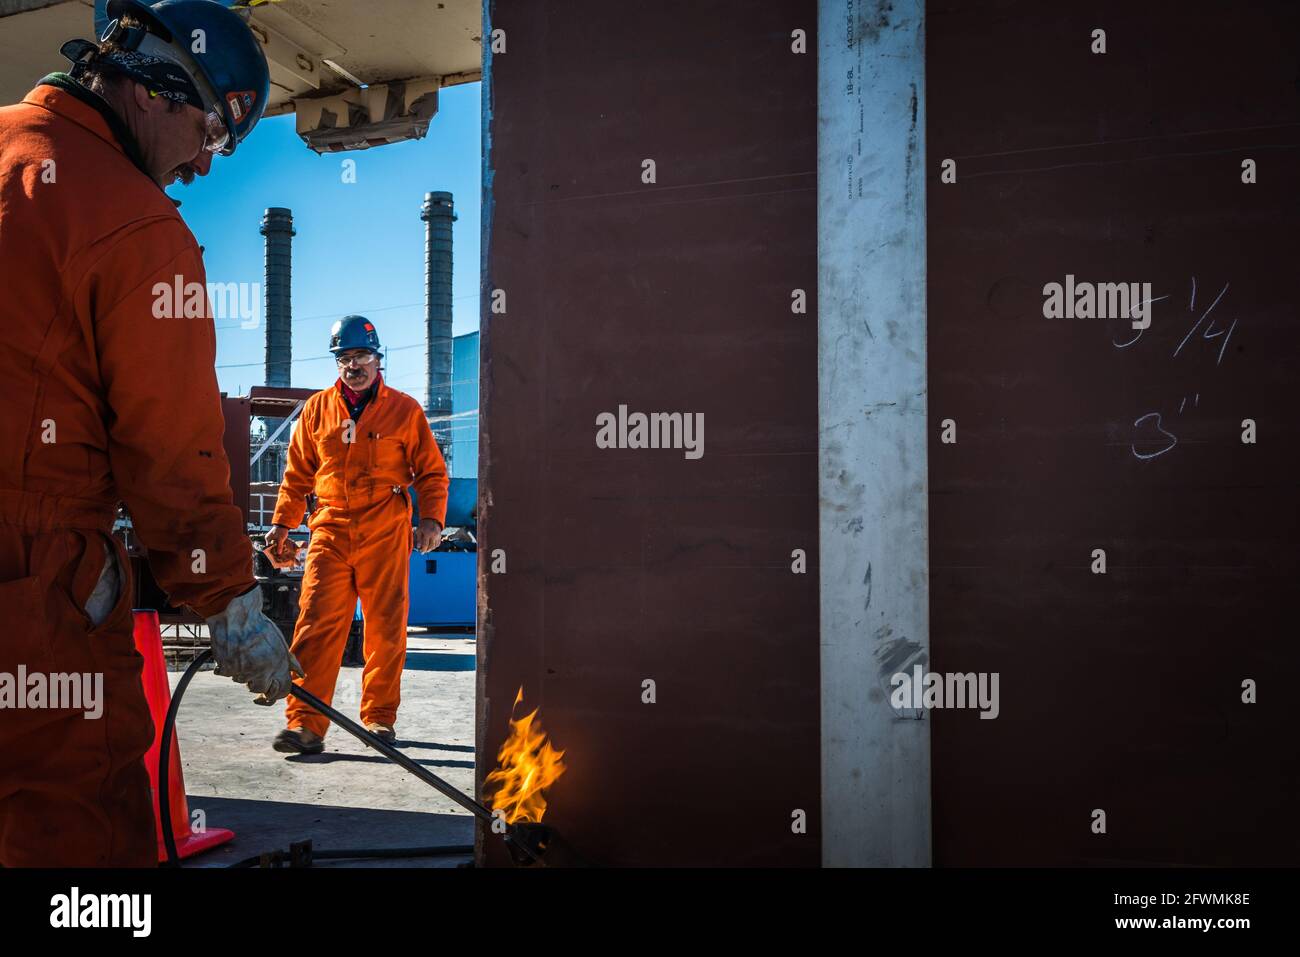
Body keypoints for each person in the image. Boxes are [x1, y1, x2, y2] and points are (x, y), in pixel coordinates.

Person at [0, 0, 299, 866]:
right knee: (74, 827)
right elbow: (173, 448)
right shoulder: (136, 229)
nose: (206, 166)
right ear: (158, 87)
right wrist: (226, 596)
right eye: (210, 133)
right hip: (30, 581)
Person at [264, 316, 449, 753]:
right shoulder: (316, 410)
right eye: (345, 358)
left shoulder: (405, 410)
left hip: (385, 529)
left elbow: (432, 472)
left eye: (362, 356)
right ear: (337, 363)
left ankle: (379, 720)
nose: (354, 366)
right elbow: (296, 476)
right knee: (314, 626)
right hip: (329, 528)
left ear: (377, 358)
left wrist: (432, 521)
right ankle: (306, 725)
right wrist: (281, 525)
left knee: (385, 629)